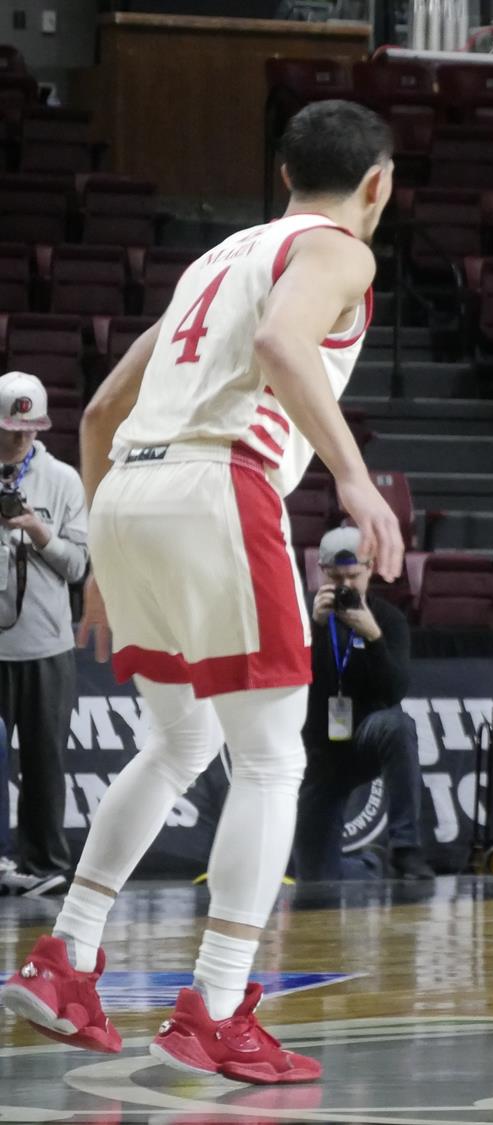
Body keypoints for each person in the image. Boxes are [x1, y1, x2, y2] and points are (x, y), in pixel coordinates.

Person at [2, 99, 404, 1080]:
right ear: (378, 184)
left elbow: (101, 410)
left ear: (283, 174)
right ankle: (216, 1007)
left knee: (180, 743)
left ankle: (66, 956)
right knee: (271, 761)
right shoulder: (340, 250)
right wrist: (354, 478)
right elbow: (282, 346)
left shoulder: (214, 260)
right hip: (220, 484)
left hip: (129, 489)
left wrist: (102, 557)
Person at [293, 526, 431, 882]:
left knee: (399, 725)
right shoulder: (301, 615)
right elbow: (296, 687)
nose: (346, 586)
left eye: (353, 576)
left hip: (367, 734)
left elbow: (394, 692)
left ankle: (405, 847)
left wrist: (374, 638)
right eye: (336, 577)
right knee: (314, 877)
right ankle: (369, 864)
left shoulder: (388, 619)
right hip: (319, 749)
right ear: (321, 572)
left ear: (370, 569)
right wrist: (317, 629)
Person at [0, 372, 86, 898]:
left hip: (46, 644)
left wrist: (36, 529)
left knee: (44, 758)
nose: (22, 438)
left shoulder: (63, 479)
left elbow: (78, 565)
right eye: (12, 429)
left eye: (31, 428)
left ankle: (45, 865)